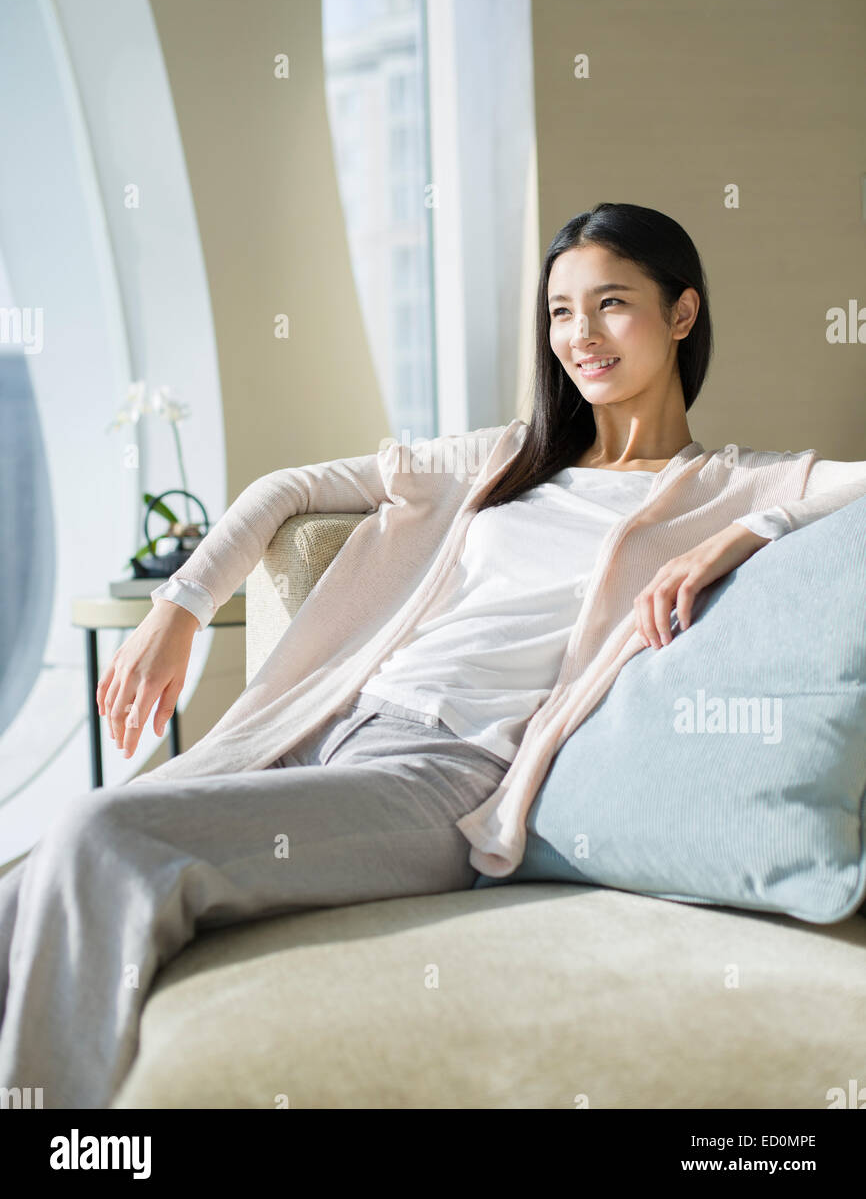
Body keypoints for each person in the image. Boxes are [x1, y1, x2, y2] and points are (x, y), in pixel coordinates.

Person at [1, 202, 863, 1110]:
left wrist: (747, 531)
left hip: (439, 777)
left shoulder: (729, 485)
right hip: (315, 730)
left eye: (612, 304)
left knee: (104, 835)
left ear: (682, 314)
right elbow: (290, 487)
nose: (581, 336)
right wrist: (178, 608)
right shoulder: (501, 460)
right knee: (32, 880)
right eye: (561, 312)